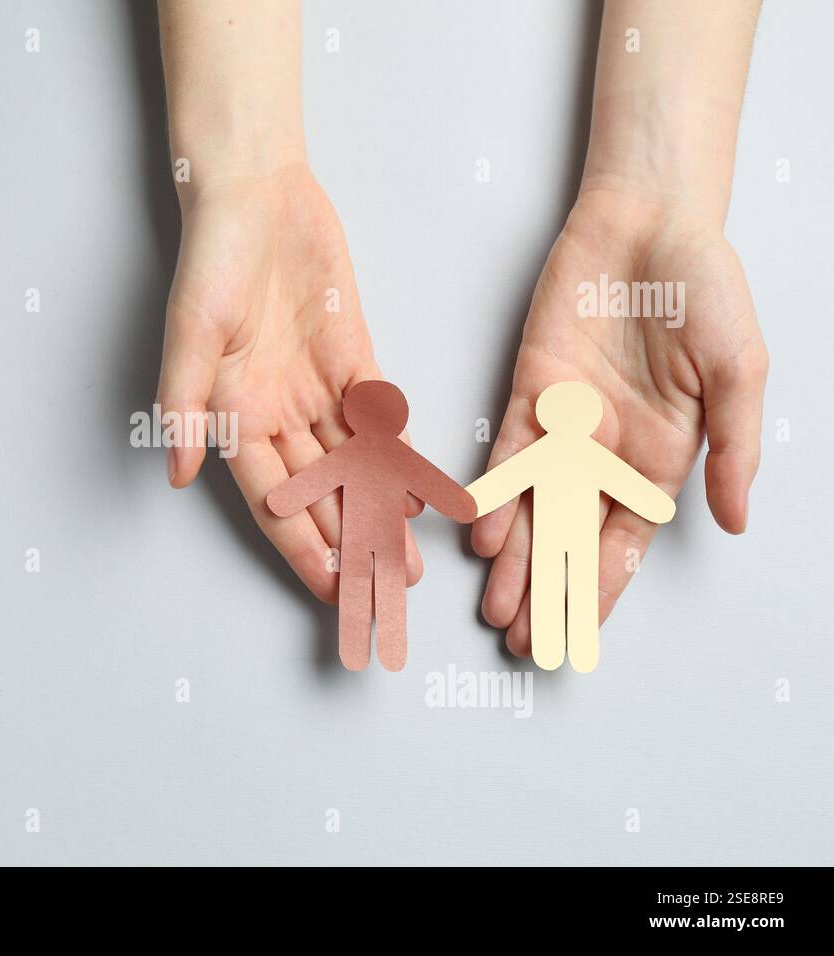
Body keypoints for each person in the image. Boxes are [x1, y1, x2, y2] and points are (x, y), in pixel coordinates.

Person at [154, 1, 768, 661]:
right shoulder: (386, 451)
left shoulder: (382, 449)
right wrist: (243, 169)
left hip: (395, 515)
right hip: (413, 515)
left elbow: (447, 487)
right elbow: (444, 486)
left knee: (388, 579)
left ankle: (380, 649)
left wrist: (660, 193)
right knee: (394, 576)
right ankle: (385, 648)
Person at [465, 382, 675, 672]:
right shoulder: (583, 454)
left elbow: (502, 483)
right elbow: (633, 487)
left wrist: (465, 501)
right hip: (572, 535)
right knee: (578, 587)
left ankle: (561, 648)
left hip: (556, 534)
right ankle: (572, 648)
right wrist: (658, 506)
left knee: (552, 583)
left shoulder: (552, 452)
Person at [267, 381, 476, 671]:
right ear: (400, 418)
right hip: (381, 534)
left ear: (352, 415)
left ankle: (365, 650)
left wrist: (283, 499)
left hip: (358, 535)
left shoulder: (356, 452)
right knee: (386, 587)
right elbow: (441, 490)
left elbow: (307, 484)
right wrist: (463, 505)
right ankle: (387, 652)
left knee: (358, 585)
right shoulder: (393, 454)